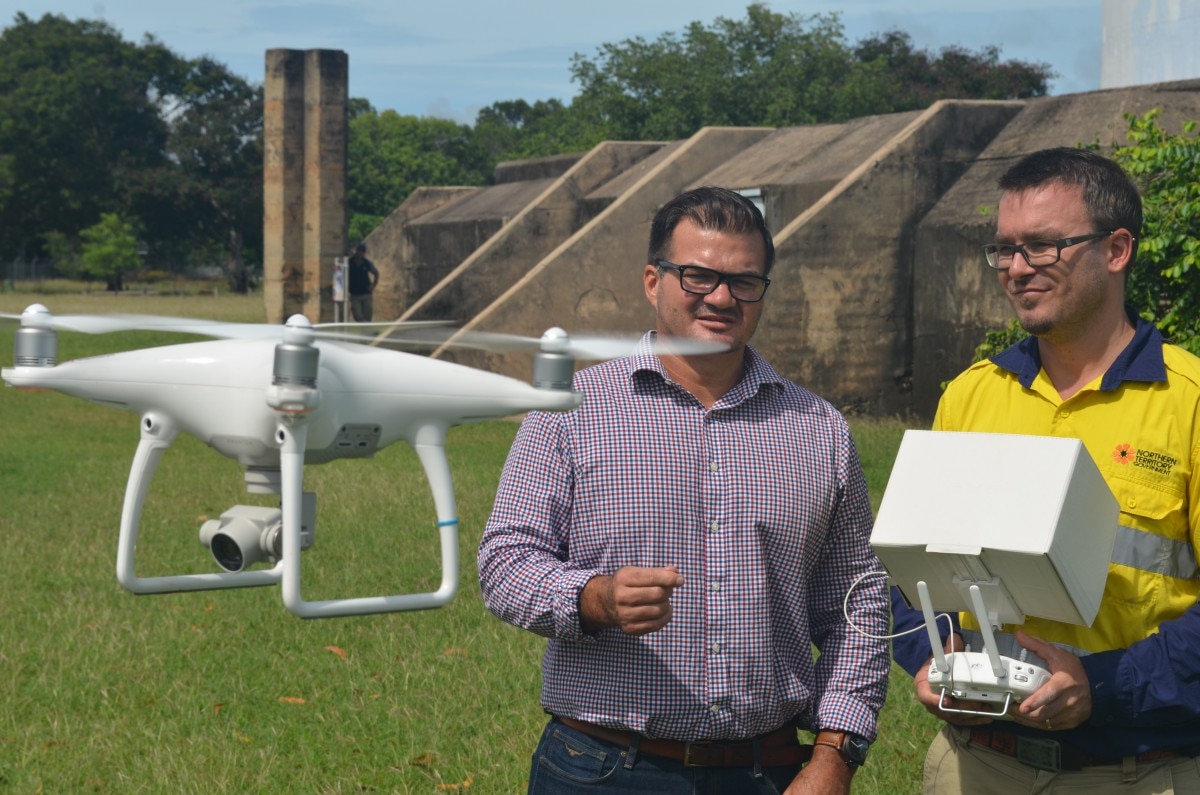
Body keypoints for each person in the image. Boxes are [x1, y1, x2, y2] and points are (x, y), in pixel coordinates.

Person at [478, 186, 891, 794]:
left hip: (768, 771)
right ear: (654, 281)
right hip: (603, 766)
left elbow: (857, 602)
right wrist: (596, 598)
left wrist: (835, 755)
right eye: (698, 276)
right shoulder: (571, 411)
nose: (721, 297)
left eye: (744, 281)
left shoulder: (818, 429)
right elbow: (504, 563)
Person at [891, 147, 1200, 793]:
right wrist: (928, 657)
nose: (1016, 268)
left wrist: (1104, 686)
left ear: (1117, 249)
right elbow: (913, 563)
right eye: (1004, 249)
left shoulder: (1189, 402)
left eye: (1042, 247)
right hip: (976, 764)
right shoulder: (970, 395)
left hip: (1138, 770)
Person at [347, 242, 378, 321]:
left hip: (366, 293)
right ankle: (366, 329)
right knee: (358, 315)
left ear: (364, 252)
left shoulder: (367, 263)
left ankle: (366, 332)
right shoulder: (349, 262)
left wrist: (374, 284)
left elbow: (376, 273)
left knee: (367, 315)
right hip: (355, 294)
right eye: (358, 250)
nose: (360, 253)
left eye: (362, 251)